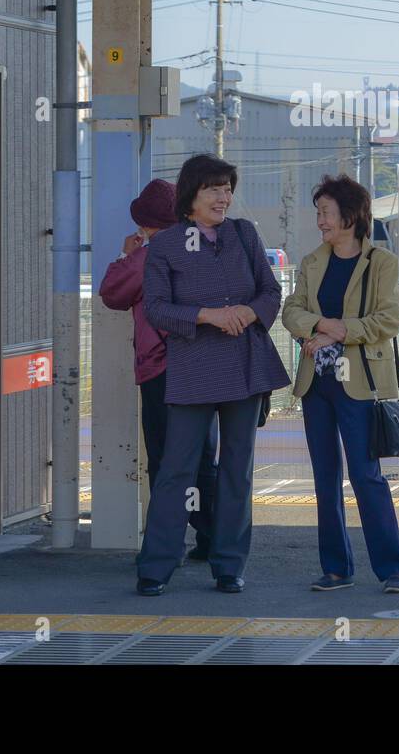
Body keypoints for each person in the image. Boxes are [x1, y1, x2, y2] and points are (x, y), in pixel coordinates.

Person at [135, 154, 290, 595]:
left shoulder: (244, 234)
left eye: (227, 188)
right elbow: (157, 309)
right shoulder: (165, 245)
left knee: (237, 469)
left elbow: (271, 292)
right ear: (191, 197)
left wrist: (247, 311)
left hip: (245, 368)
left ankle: (229, 564)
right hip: (193, 371)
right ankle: (157, 564)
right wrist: (207, 315)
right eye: (214, 189)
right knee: (176, 468)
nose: (224, 197)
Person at [282, 173, 399, 593]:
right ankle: (336, 568)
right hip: (317, 384)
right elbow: (291, 311)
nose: (319, 221)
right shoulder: (312, 261)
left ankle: (393, 569)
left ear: (351, 216)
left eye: (325, 213)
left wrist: (337, 330)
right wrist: (320, 326)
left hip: (360, 383)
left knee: (365, 474)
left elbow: (387, 320)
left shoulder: (382, 263)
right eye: (318, 213)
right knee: (324, 476)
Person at [97, 178, 217, 562]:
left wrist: (126, 255)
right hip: (203, 368)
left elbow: (112, 293)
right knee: (201, 457)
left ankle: (167, 545)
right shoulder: (204, 249)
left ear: (148, 224)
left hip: (160, 369)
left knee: (166, 459)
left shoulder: (148, 257)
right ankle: (212, 538)